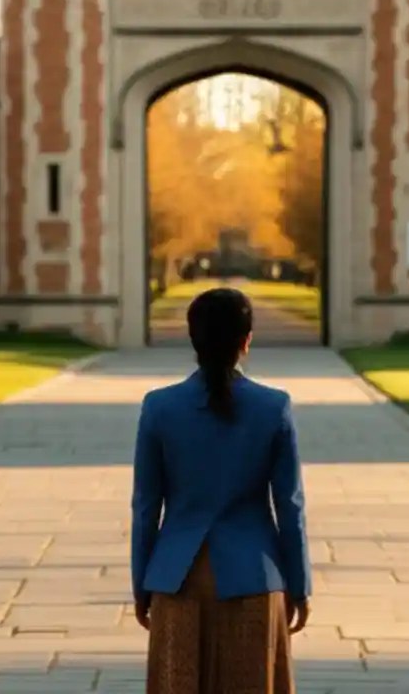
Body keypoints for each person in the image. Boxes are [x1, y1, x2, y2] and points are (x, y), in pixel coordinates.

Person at [131, 287, 312, 694]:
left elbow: (145, 507)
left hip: (177, 578)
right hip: (253, 577)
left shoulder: (159, 406)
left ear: (193, 339)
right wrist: (299, 587)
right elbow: (290, 507)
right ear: (246, 341)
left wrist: (141, 584)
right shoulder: (273, 406)